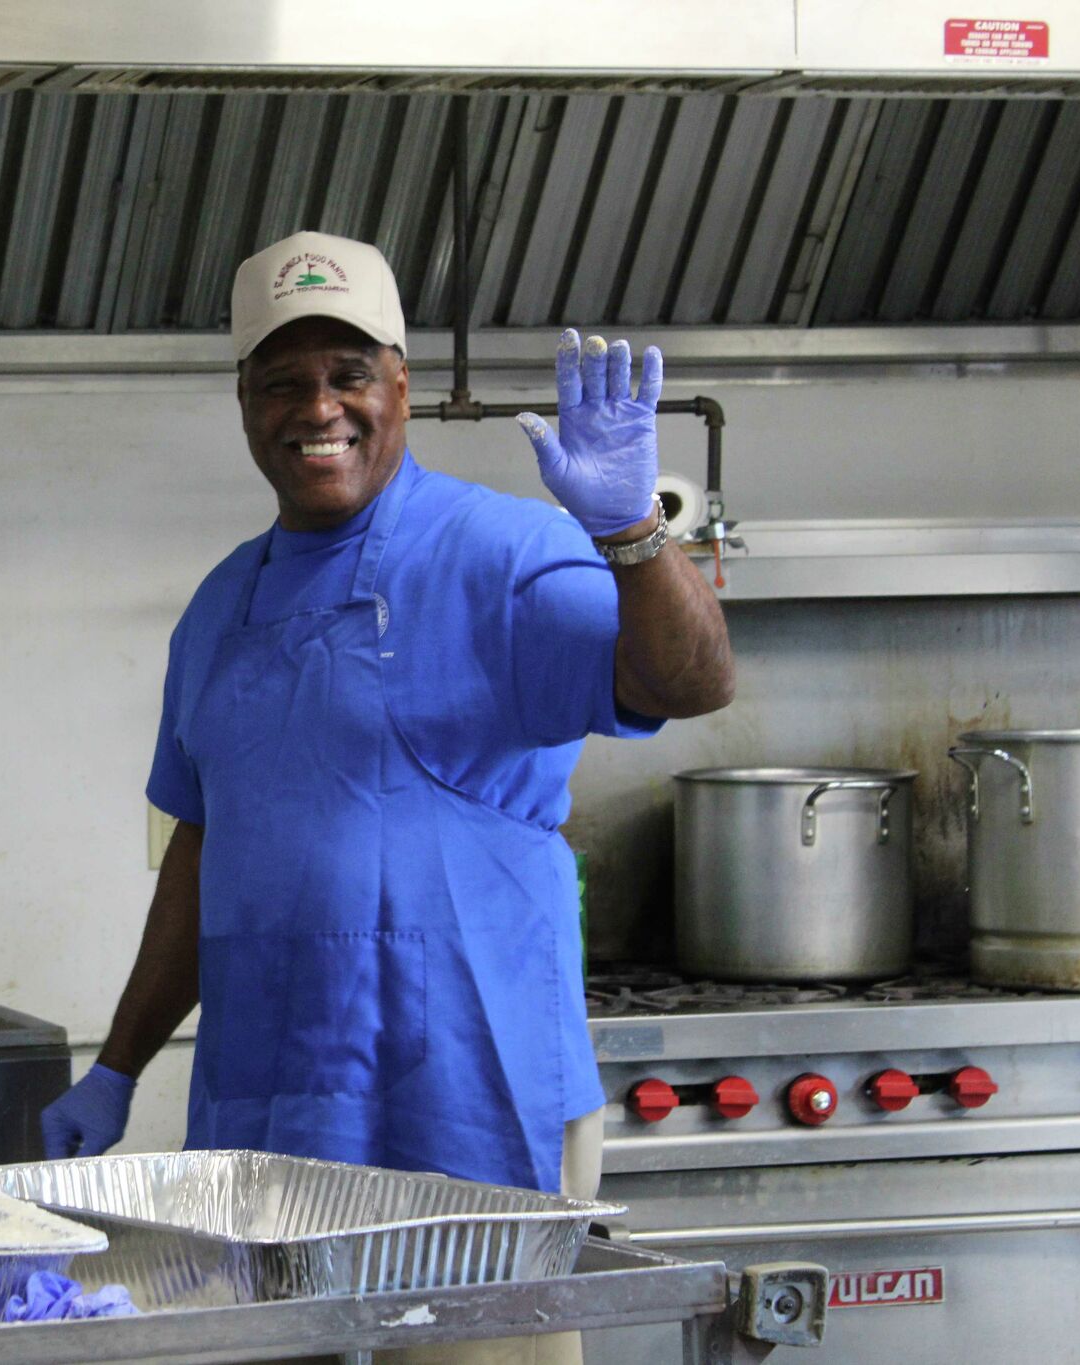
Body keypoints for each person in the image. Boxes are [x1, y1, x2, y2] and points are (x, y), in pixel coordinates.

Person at [41, 231, 735, 1363]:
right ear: (244, 403)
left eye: (347, 373)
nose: (317, 407)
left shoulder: (504, 552)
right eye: (282, 380)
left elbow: (689, 681)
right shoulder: (217, 609)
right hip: (274, 1117)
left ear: (398, 384)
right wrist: (118, 1063)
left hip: (468, 1096)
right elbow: (201, 851)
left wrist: (630, 533)